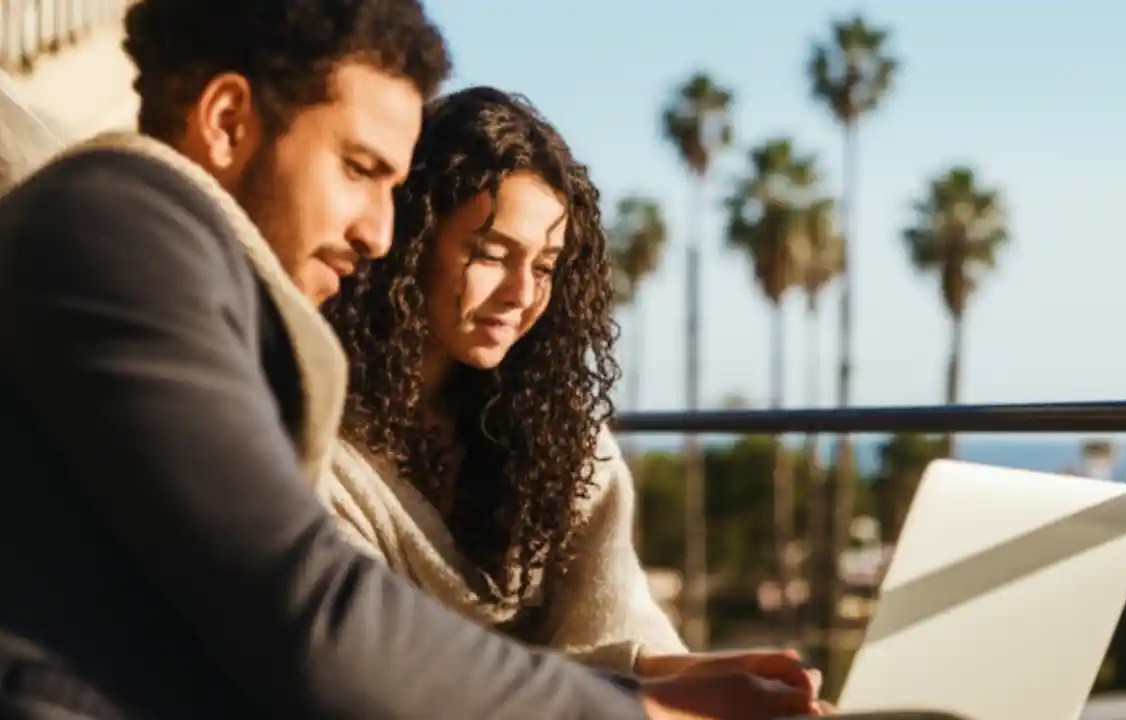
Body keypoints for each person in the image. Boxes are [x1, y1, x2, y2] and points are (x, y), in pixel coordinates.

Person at [0, 2, 817, 718]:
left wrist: (663, 679)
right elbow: (317, 619)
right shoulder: (115, 226)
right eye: (359, 170)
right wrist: (648, 709)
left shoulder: (175, 269)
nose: (380, 236)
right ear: (225, 122)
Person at [322, 86, 827, 703]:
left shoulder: (563, 440)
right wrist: (673, 701)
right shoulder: (320, 442)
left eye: (544, 266)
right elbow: (377, 672)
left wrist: (699, 673)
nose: (520, 293)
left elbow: (606, 635)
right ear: (409, 245)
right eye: (489, 253)